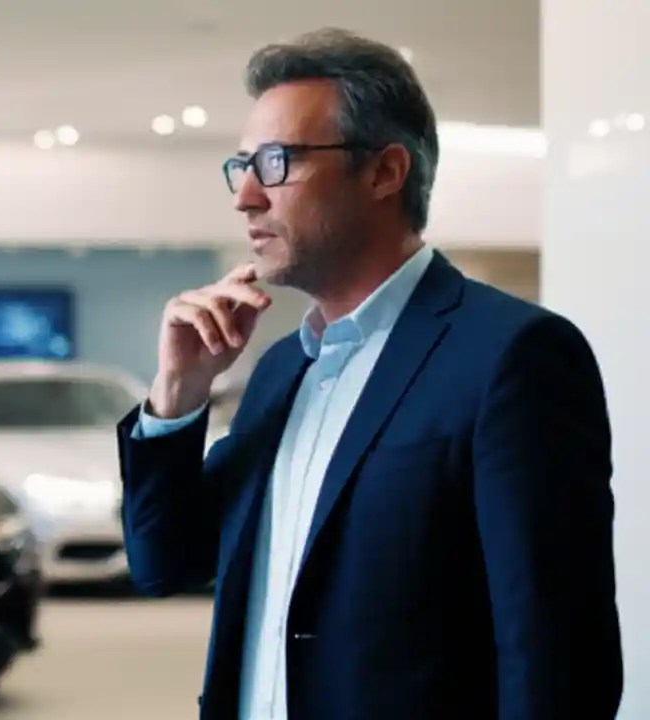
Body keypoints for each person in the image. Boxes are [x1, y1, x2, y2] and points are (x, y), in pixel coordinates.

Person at [118, 29, 622, 720]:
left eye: (278, 161)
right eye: (243, 165)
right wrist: (178, 393)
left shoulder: (512, 356)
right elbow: (164, 563)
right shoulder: (282, 369)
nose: (247, 197)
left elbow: (559, 658)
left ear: (385, 172)